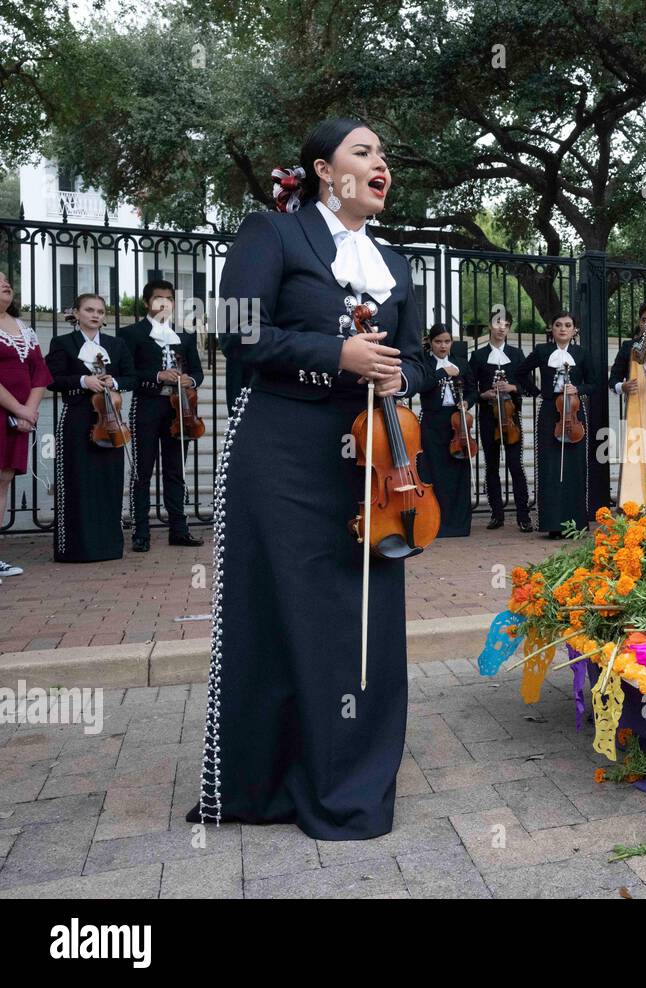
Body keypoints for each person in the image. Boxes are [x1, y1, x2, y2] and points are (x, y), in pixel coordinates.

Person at [184, 117, 430, 840]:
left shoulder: (397, 262)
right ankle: (266, 778)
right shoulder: (273, 233)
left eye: (384, 153)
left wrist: (396, 376)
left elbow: (413, 359)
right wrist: (337, 353)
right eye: (364, 151)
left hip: (372, 462)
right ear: (325, 170)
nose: (381, 163)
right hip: (282, 452)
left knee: (363, 613)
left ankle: (349, 777)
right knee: (285, 605)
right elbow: (238, 331)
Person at [45, 294, 137, 563]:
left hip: (110, 420)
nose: (95, 315)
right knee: (77, 481)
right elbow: (52, 380)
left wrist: (114, 382)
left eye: (100, 311)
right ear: (76, 312)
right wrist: (84, 381)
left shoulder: (116, 345)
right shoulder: (63, 343)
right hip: (77, 418)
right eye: (89, 310)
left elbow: (131, 377)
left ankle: (107, 547)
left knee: (109, 481)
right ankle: (75, 549)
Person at [120, 279, 205, 551]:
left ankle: (178, 529)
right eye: (158, 298)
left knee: (175, 471)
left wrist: (189, 380)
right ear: (147, 302)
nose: (164, 303)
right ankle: (141, 533)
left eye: (169, 298)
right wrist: (157, 375)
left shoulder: (185, 334)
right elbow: (128, 375)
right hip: (147, 405)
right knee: (142, 472)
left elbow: (199, 373)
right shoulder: (131, 334)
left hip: (179, 409)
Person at [0, 272, 51, 579]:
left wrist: (28, 411)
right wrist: (17, 407)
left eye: (7, 280)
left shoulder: (24, 329)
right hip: (7, 411)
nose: (6, 284)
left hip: (17, 419)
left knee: (3, 479)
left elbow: (40, 373)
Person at [522, 311, 591, 538]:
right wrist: (539, 392)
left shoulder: (581, 354)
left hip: (574, 412)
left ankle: (576, 522)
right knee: (550, 466)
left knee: (574, 467)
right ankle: (552, 523)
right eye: (558, 325)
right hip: (551, 411)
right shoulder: (542, 351)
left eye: (568, 325)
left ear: (574, 330)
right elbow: (520, 372)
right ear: (552, 329)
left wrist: (578, 389)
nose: (563, 329)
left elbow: (595, 383)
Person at [469, 309, 533, 532]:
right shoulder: (477, 356)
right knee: (492, 466)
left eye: (505, 324)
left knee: (516, 465)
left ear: (509, 328)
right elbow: (470, 389)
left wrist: (513, 387)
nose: (501, 327)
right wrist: (482, 395)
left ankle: (523, 516)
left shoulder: (517, 355)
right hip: (488, 416)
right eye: (497, 323)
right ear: (490, 325)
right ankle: (496, 514)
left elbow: (529, 386)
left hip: (511, 417)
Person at [418, 325, 475, 537]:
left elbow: (472, 390)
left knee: (458, 471)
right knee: (434, 472)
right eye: (438, 342)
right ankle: (436, 524)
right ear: (431, 343)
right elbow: (421, 385)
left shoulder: (461, 363)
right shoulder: (425, 363)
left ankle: (458, 524)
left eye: (447, 342)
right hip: (433, 423)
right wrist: (443, 372)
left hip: (457, 423)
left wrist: (467, 402)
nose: (443, 346)